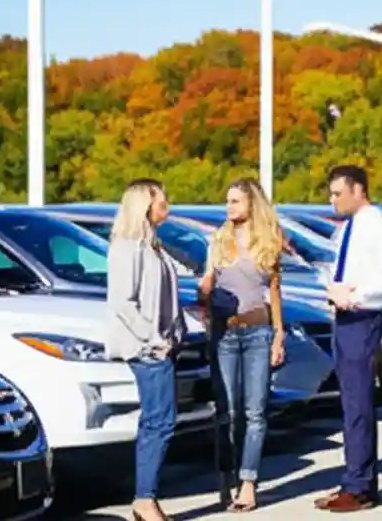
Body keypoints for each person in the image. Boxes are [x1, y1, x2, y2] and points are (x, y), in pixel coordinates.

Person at [314, 164, 382, 513]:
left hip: (361, 318)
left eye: (338, 193)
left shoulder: (378, 227)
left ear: (358, 190)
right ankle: (354, 479)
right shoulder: (349, 228)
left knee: (358, 404)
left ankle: (361, 487)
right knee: (350, 402)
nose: (332, 200)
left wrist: (356, 295)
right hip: (345, 317)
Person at [198, 178, 286, 512]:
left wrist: (279, 333)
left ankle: (248, 482)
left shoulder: (269, 242)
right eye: (227, 201)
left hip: (258, 331)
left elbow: (275, 292)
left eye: (235, 201)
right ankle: (226, 476)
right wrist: (204, 290)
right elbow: (204, 291)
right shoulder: (218, 241)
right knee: (227, 412)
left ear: (252, 204)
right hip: (224, 333)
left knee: (255, 411)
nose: (229, 207)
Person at [104, 178, 187, 521]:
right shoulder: (127, 247)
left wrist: (177, 332)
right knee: (160, 421)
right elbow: (123, 302)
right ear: (144, 205)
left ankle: (146, 498)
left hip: (162, 345)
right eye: (161, 200)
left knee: (160, 421)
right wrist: (153, 339)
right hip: (147, 349)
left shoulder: (153, 246)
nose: (166, 205)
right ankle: (144, 499)